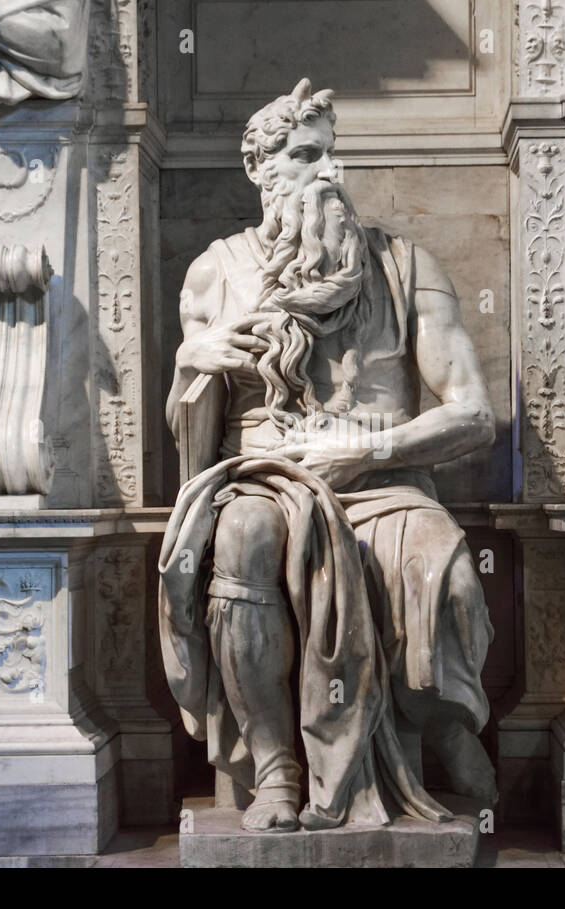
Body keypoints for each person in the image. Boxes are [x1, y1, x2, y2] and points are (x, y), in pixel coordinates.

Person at [159, 79, 498, 832]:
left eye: (333, 155)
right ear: (260, 167)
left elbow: (475, 413)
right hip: (263, 476)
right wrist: (197, 361)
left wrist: (371, 447)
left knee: (446, 564)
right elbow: (188, 434)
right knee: (243, 537)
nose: (329, 172)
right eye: (307, 155)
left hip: (386, 479)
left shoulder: (406, 265)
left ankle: (441, 716)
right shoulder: (217, 272)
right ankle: (277, 763)